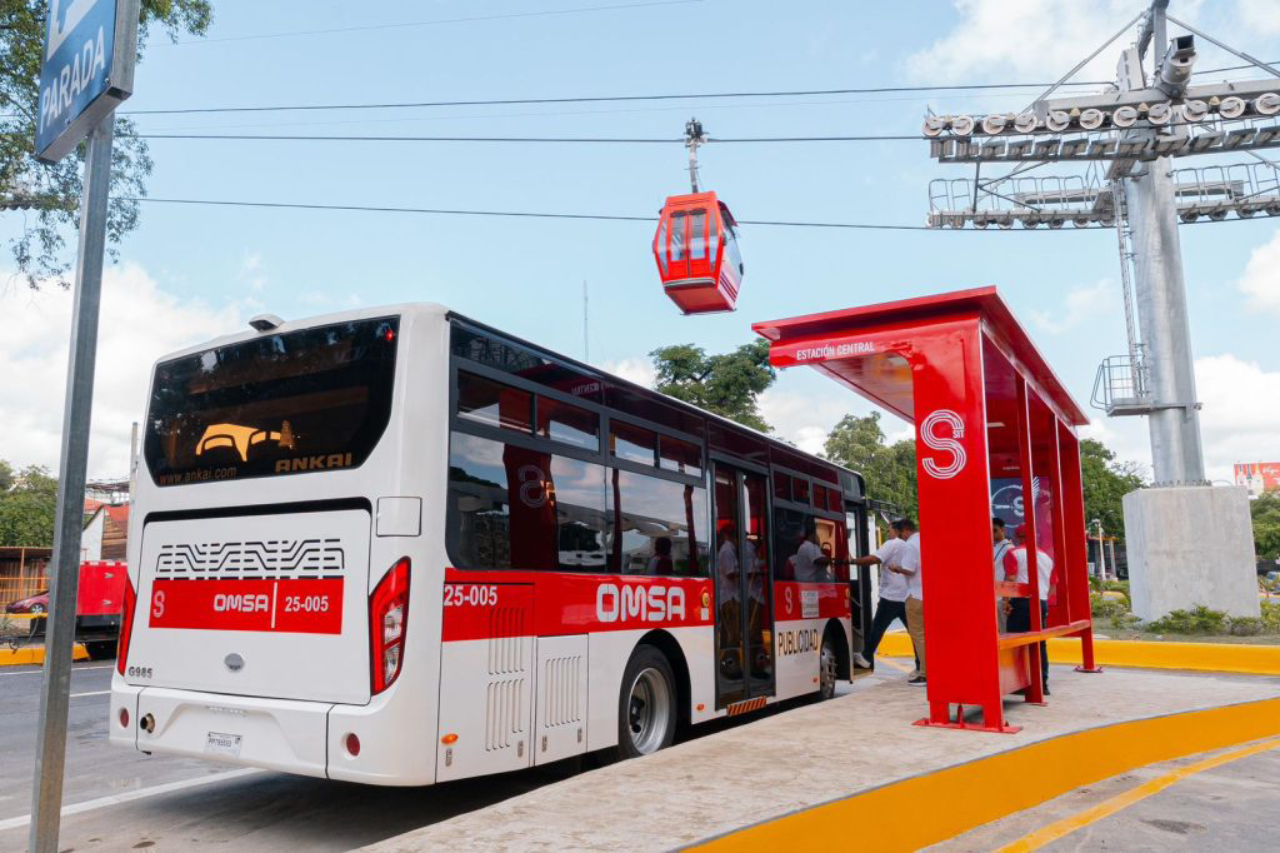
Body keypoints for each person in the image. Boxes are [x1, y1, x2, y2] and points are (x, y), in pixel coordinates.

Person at [848, 519, 915, 670]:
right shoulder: (909, 546)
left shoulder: (892, 544)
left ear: (897, 531)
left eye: (889, 530)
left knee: (877, 628)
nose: (887, 533)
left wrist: (852, 561)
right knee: (914, 633)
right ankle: (920, 664)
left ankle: (866, 657)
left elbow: (874, 559)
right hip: (906, 596)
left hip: (891, 596)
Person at [1002, 524, 1055, 694]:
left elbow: (1011, 579)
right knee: (1040, 644)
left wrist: (1006, 602)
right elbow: (1052, 586)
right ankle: (1042, 684)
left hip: (1020, 603)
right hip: (1041, 603)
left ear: (1018, 537)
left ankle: (1020, 684)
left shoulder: (1014, 553)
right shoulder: (1047, 557)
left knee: (1016, 643)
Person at [888, 521, 926, 686]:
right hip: (928, 595)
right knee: (929, 635)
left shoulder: (910, 545)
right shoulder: (924, 540)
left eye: (900, 533)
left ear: (905, 531)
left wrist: (896, 568)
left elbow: (910, 570)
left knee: (919, 636)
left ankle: (925, 674)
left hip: (915, 595)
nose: (900, 537)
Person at [791, 517, 833, 583]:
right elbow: (820, 560)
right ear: (813, 535)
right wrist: (831, 559)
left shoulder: (804, 546)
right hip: (811, 584)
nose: (818, 537)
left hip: (809, 583)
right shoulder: (810, 546)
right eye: (817, 534)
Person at [992, 518, 1015, 633]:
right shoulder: (994, 547)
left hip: (1002, 597)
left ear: (1003, 530)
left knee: (1004, 631)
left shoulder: (1009, 548)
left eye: (995, 530)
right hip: (994, 595)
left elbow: (1011, 575)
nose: (993, 533)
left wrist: (1007, 598)